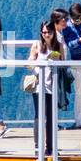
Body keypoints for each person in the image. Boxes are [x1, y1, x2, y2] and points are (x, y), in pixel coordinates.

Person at [27, 20, 62, 152]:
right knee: (39, 115)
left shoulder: (58, 46)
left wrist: (55, 57)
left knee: (51, 116)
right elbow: (29, 62)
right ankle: (38, 145)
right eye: (44, 32)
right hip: (39, 85)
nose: (46, 35)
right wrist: (33, 61)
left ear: (53, 32)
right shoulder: (36, 45)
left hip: (52, 84)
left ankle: (50, 146)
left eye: (49, 32)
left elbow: (62, 61)